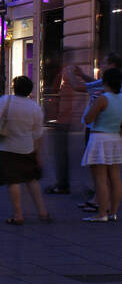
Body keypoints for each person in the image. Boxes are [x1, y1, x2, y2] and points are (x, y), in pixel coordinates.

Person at [0, 75, 51, 224]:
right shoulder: (35, 107)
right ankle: (42, 212)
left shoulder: (6, 101)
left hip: (5, 147)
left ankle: (18, 215)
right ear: (30, 90)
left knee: (13, 181)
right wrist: (37, 154)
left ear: (14, 88)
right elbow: (37, 134)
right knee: (31, 180)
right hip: (26, 148)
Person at [79, 52, 122, 212]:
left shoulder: (103, 99)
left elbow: (88, 119)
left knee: (101, 178)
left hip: (100, 138)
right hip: (116, 138)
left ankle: (101, 212)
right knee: (116, 177)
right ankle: (114, 211)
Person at [46, 50, 90, 195]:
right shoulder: (67, 71)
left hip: (64, 119)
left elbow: (80, 89)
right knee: (62, 153)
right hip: (63, 118)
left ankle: (63, 184)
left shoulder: (67, 71)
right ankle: (62, 183)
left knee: (61, 153)